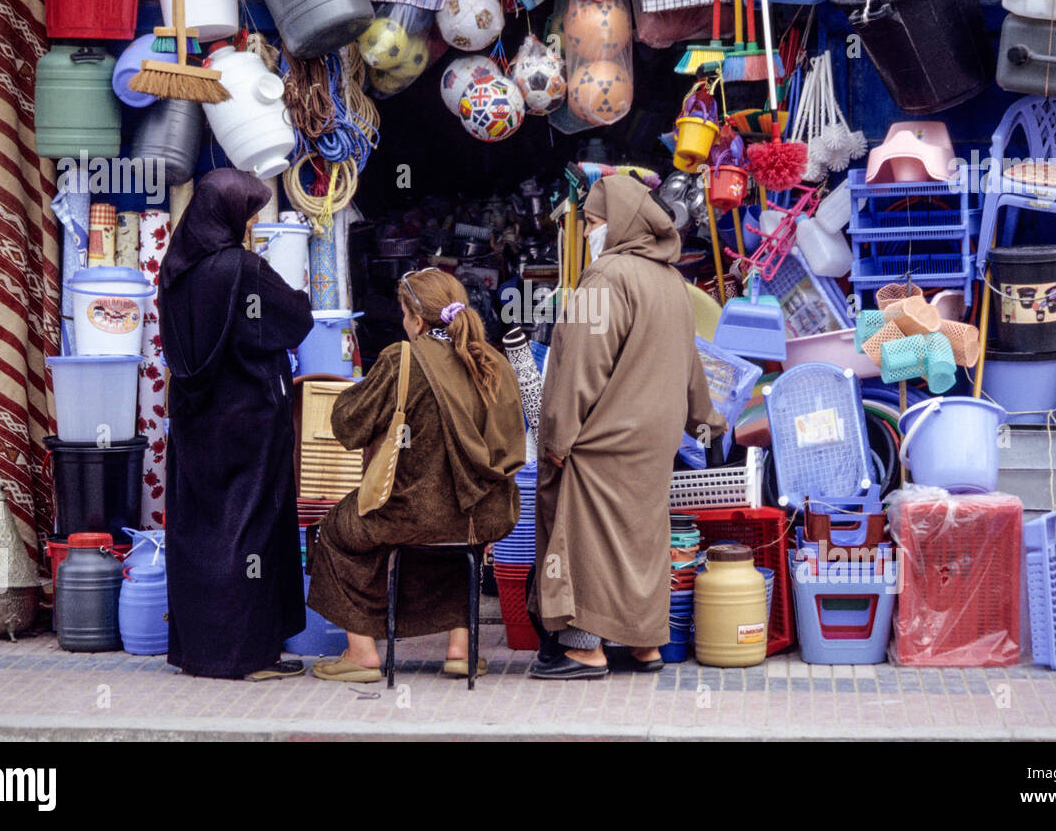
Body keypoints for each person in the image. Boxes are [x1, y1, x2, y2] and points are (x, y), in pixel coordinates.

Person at [529, 175, 725, 680]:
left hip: (604, 438)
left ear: (620, 224)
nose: (590, 232)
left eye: (593, 223)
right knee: (640, 540)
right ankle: (645, 646)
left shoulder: (606, 277)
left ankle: (584, 646)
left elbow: (577, 367)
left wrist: (556, 437)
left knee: (585, 538)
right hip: (654, 441)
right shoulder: (672, 283)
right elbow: (691, 366)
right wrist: (706, 422)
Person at [307, 268, 526, 683]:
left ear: (416, 318)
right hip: (484, 513)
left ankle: (362, 653)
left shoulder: (401, 359)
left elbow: (348, 425)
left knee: (336, 532)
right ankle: (461, 650)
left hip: (410, 513)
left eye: (403, 312)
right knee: (460, 537)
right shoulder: (493, 360)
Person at [158, 169, 315, 681]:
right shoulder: (242, 269)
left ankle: (202, 651)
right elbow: (294, 319)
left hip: (193, 421)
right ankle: (247, 655)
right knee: (250, 531)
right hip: (248, 421)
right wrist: (301, 298)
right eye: (245, 216)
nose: (248, 226)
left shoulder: (173, 272)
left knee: (199, 529)